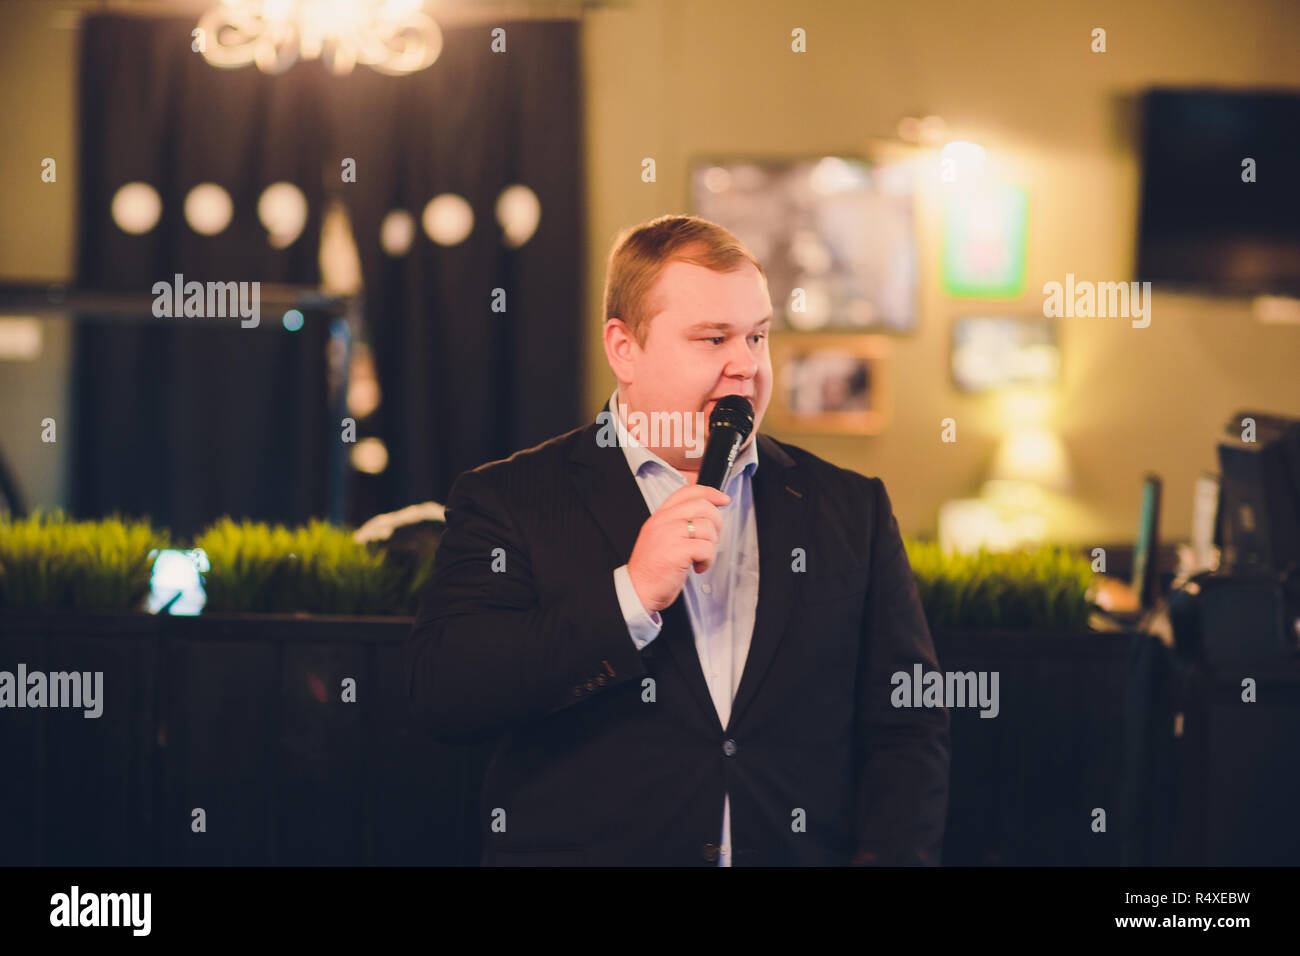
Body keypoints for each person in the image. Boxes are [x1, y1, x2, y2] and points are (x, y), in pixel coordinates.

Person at [407, 214, 950, 866]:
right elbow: (448, 694)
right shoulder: (510, 499)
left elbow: (908, 726)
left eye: (757, 336)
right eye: (713, 338)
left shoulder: (850, 508)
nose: (745, 366)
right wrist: (629, 598)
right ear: (623, 348)